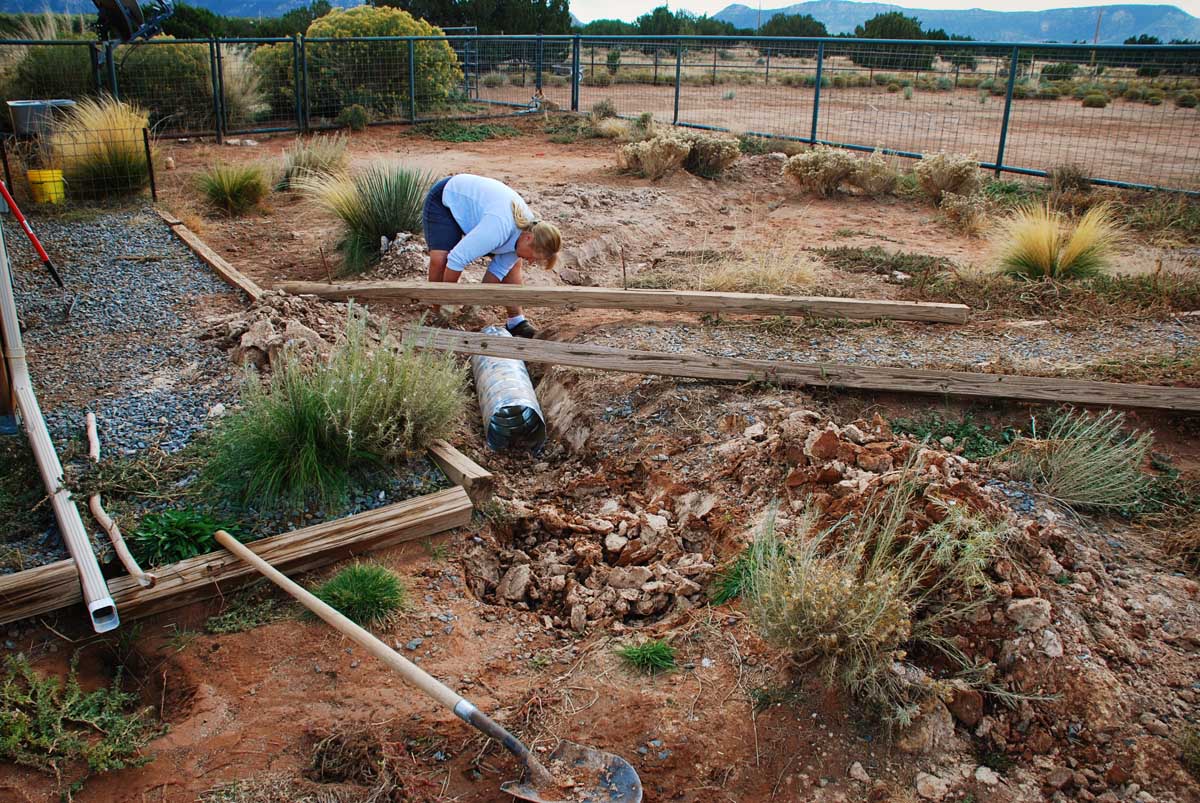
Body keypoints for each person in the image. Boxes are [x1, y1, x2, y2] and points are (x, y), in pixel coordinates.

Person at [422, 174, 562, 339]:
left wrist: (476, 303)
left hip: (481, 212)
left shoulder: (528, 234)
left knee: (513, 266)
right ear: (528, 238)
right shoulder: (498, 228)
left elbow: (497, 271)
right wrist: (448, 299)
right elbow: (456, 260)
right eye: (534, 257)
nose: (531, 262)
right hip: (446, 199)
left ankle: (516, 322)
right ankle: (439, 316)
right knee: (441, 259)